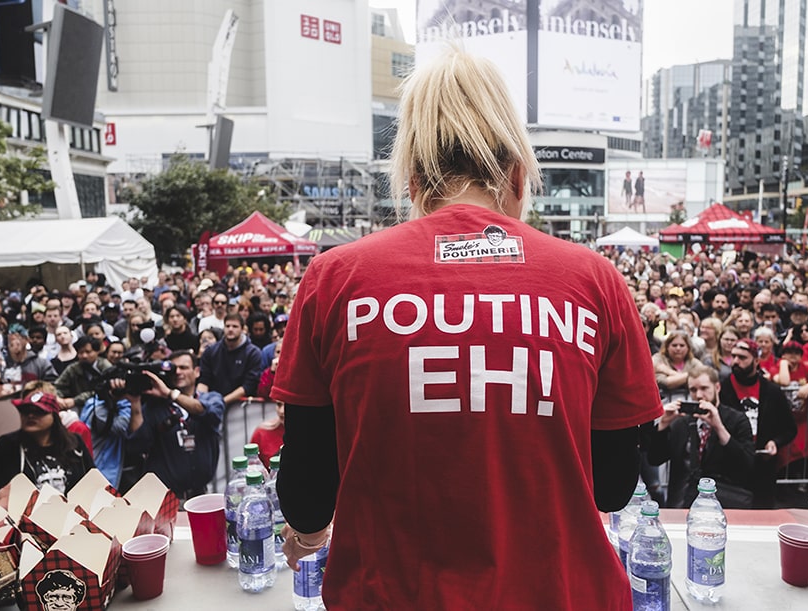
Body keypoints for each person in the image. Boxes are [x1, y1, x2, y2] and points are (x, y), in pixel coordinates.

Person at [272, 48, 661, 610]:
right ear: (517, 174)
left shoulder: (335, 279)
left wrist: (306, 536)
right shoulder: (594, 282)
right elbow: (612, 486)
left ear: (411, 180)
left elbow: (308, 494)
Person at [645, 365, 755, 508]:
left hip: (725, 501)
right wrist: (663, 425)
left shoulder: (736, 420)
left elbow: (747, 463)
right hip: (683, 502)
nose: (698, 395)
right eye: (693, 390)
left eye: (704, 388)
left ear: (717, 388)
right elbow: (655, 458)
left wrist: (719, 428)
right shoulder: (682, 422)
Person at [127, 350, 224, 501]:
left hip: (201, 495)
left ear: (197, 372)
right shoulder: (155, 407)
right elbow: (138, 444)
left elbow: (206, 412)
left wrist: (171, 394)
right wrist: (135, 402)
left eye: (184, 367)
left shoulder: (212, 399)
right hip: (166, 499)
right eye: (174, 368)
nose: (178, 372)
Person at [719, 338, 796, 509]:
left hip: (763, 467)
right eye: (734, 357)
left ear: (756, 360)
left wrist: (775, 443)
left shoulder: (772, 391)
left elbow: (789, 428)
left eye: (742, 357)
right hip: (730, 467)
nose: (736, 361)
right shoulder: (722, 389)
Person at [0, 391, 94, 494]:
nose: (31, 415)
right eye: (25, 411)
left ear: (54, 415)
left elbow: (92, 480)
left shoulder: (74, 443)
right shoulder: (8, 445)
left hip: (72, 509)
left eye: (39, 411)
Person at [198, 313, 263, 406]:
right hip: (212, 402)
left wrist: (221, 402)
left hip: (241, 405)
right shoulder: (211, 351)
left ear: (242, 329)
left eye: (235, 326)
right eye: (227, 326)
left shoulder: (253, 353)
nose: (230, 329)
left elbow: (248, 386)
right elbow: (204, 380)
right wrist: (202, 401)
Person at [54, 337, 110, 412]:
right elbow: (58, 386)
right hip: (77, 407)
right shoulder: (73, 368)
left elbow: (101, 391)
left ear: (97, 351)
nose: (84, 356)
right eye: (81, 352)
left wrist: (75, 400)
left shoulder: (105, 367)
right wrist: (58, 398)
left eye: (88, 352)